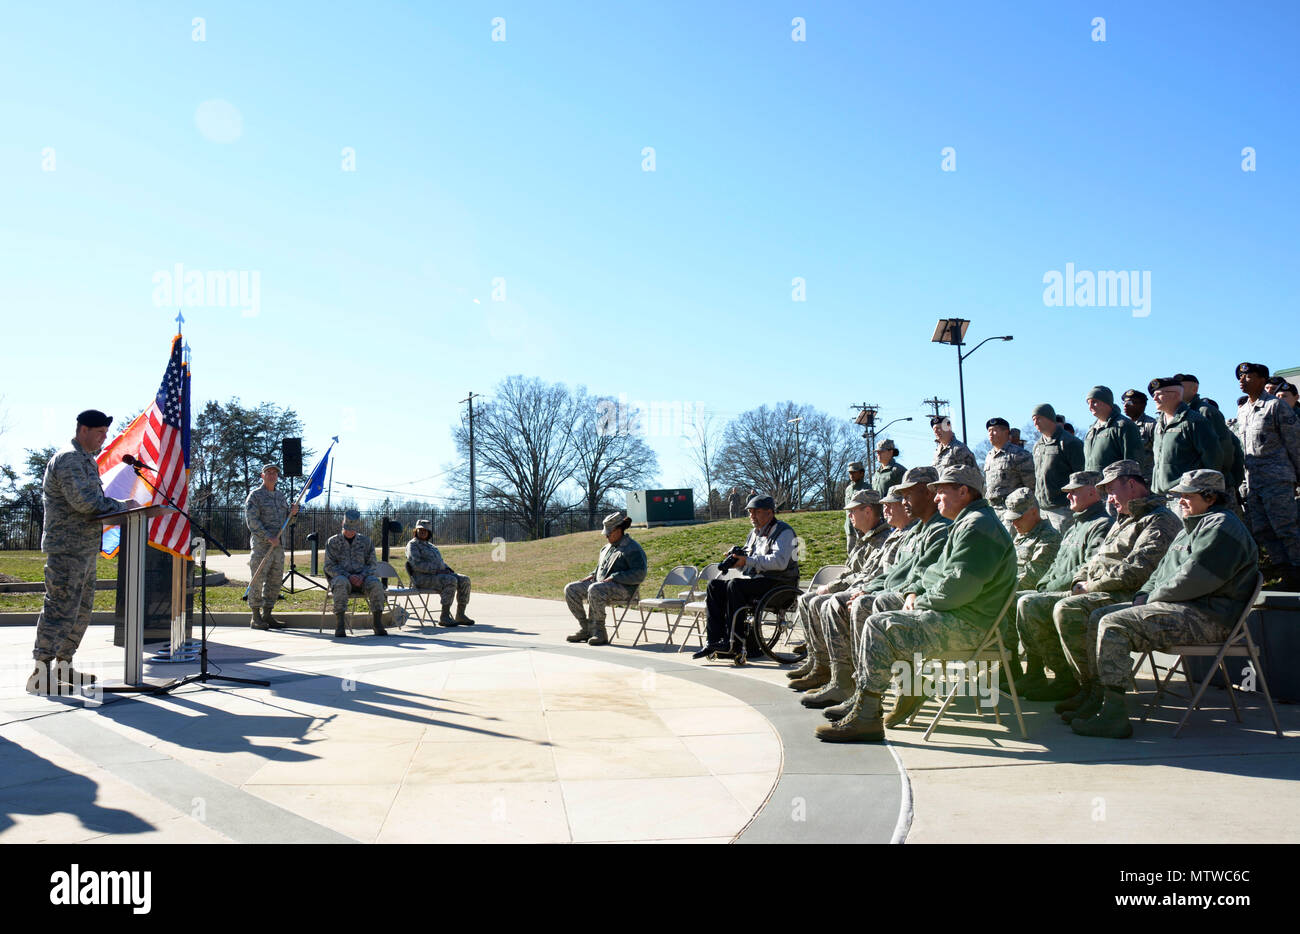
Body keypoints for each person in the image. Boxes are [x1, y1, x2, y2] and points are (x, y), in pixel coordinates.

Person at [816, 465, 1015, 742]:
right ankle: (878, 700)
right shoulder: (968, 522)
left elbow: (958, 587)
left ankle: (869, 713)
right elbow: (933, 573)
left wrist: (920, 600)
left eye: (941, 492)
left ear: (963, 491)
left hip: (971, 625)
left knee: (880, 625)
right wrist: (915, 594)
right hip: (959, 615)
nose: (936, 499)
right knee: (880, 617)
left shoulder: (978, 526)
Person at [1070, 470, 1259, 738]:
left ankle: (1114, 717)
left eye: (1187, 496)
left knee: (1114, 623)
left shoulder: (1223, 527)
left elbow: (1194, 579)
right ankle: (1099, 699)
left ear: (1210, 496)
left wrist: (1150, 600)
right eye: (1179, 496)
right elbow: (1160, 572)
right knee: (1100, 614)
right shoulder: (1192, 525)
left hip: (1209, 617)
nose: (1180, 501)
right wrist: (1143, 595)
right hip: (1181, 608)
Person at [1041, 459, 1182, 703]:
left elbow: (1136, 571)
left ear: (1130, 485)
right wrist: (1079, 580)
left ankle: (1096, 690)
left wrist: (1090, 587)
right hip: (1097, 589)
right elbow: (1095, 560)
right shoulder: (1123, 518)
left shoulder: (1159, 519)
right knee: (1032, 604)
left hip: (1129, 594)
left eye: (1111, 490)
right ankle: (1075, 682)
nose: (1109, 498)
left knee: (1068, 609)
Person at [27, 410, 139, 695]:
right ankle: (40, 673)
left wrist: (119, 506)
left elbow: (94, 501)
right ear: (83, 430)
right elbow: (86, 503)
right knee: (60, 608)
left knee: (80, 611)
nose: (104, 438)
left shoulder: (87, 460)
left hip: (84, 548)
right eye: (100, 432)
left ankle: (64, 667)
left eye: (105, 432)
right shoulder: (69, 459)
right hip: (67, 548)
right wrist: (122, 507)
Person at [809, 490, 914, 721]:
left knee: (849, 602)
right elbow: (877, 574)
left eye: (891, 504)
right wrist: (863, 589)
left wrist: (865, 591)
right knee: (823, 601)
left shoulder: (900, 534)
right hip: (883, 592)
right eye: (884, 505)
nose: (885, 509)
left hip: (905, 602)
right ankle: (839, 677)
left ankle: (862, 692)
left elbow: (898, 577)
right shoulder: (895, 534)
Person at [1014, 471, 1114, 690]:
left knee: (1029, 603)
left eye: (1073, 492)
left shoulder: (1101, 525)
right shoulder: (1074, 527)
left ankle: (1065, 676)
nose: (1068, 497)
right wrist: (1044, 584)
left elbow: (1090, 566)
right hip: (1056, 588)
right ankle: (1034, 669)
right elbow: (1056, 565)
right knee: (1014, 600)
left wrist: (1049, 587)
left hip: (1079, 591)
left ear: (1092, 491)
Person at [792, 489, 890, 709]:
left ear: (867, 511)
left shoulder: (882, 539)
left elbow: (869, 575)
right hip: (854, 590)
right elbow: (850, 571)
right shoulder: (864, 539)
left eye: (853, 511)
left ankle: (842, 679)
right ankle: (821, 665)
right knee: (807, 599)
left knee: (823, 602)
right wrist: (833, 586)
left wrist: (833, 587)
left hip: (866, 594)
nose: (849, 516)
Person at [694, 494, 799, 658]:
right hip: (756, 581)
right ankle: (715, 641)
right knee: (714, 585)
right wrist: (737, 560)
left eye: (756, 512)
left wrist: (748, 560)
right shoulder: (753, 534)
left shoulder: (783, 532)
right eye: (750, 512)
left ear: (770, 512)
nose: (752, 516)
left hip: (779, 583)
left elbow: (780, 562)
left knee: (734, 585)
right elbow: (748, 560)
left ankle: (735, 642)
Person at [1235, 362, 1300, 589]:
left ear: (1262, 379)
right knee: (1263, 530)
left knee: (1286, 528)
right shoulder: (1242, 410)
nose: (1242, 381)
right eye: (1240, 378)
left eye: (1248, 377)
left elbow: (1294, 443)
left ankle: (1298, 569)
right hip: (1254, 482)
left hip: (1277, 478)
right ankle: (1287, 574)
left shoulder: (1277, 406)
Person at [564, 510, 647, 646]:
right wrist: (592, 574)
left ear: (618, 530)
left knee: (595, 589)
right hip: (599, 585)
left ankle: (599, 632)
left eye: (609, 532)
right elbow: (601, 568)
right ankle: (586, 628)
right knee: (571, 589)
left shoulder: (632, 548)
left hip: (625, 589)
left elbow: (640, 573)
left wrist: (616, 577)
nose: (606, 535)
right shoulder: (606, 548)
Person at [244, 463, 298, 630]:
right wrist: (268, 536)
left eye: (275, 473)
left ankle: (268, 614)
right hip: (262, 548)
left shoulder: (280, 497)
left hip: (278, 548)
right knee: (258, 581)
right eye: (268, 472)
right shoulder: (255, 496)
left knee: (274, 582)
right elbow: (252, 521)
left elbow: (288, 522)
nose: (272, 475)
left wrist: (293, 514)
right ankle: (255, 617)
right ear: (262, 476)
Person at [1150, 377, 1218, 496]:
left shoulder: (1194, 422)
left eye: (1159, 394)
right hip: (1161, 496)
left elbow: (1212, 458)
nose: (1154, 398)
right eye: (1154, 395)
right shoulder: (1158, 425)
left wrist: (1201, 491)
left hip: (1186, 494)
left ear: (1175, 395)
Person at [325, 510, 388, 639]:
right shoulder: (333, 542)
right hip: (343, 579)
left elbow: (372, 564)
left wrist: (362, 576)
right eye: (347, 529)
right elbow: (329, 566)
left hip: (363, 579)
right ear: (343, 524)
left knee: (376, 584)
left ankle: (377, 623)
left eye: (352, 529)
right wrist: (348, 576)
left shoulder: (366, 542)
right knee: (340, 582)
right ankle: (340, 625)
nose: (350, 532)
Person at [406, 518, 473, 626]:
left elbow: (440, 562)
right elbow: (416, 565)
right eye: (420, 530)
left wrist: (447, 569)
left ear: (429, 532)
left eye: (425, 530)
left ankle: (460, 614)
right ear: (416, 531)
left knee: (464, 579)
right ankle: (444, 616)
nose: (422, 532)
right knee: (450, 580)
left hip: (438, 575)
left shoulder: (431, 546)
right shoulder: (412, 545)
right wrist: (437, 571)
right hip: (422, 577)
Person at [1032, 403, 1085, 532]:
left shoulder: (1070, 442)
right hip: (1042, 509)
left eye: (1039, 418)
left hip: (1064, 509)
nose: (1036, 422)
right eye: (1033, 419)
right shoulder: (1037, 446)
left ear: (1050, 418)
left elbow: (1081, 476)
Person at [983, 417, 1035, 530]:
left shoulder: (1019, 454)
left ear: (1006, 432)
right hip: (992, 511)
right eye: (989, 431)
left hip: (1012, 510)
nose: (991, 434)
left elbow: (1031, 486)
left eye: (995, 430)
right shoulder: (989, 456)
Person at [1006, 488, 1060, 592]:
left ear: (1034, 512)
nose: (1014, 524)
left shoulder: (1049, 537)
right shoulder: (1023, 533)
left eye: (1018, 518)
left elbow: (1033, 576)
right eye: (1012, 520)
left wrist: (1001, 589)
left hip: (1026, 592)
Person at [1178, 373, 1232, 472]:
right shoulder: (1176, 413)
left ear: (1194, 389)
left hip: (1205, 478)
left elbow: (1224, 445)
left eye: (1181, 387)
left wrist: (1223, 475)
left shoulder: (1206, 411)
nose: (1178, 391)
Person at [1082, 386, 1143, 473]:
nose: (1090, 406)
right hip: (1092, 485)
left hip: (1116, 485)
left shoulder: (1123, 426)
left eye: (1094, 402)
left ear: (1107, 402)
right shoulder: (1091, 430)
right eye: (1088, 403)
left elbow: (1134, 463)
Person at [1122, 388, 1158, 485]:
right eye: (1124, 402)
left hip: (1147, 481)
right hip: (1126, 480)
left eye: (1130, 402)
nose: (1125, 405)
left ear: (1142, 405)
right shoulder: (1122, 426)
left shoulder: (1152, 425)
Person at [843, 461, 871, 553]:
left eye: (854, 472)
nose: (851, 474)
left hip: (863, 528)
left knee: (863, 553)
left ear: (862, 473)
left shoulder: (867, 488)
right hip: (850, 528)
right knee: (850, 553)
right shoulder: (848, 489)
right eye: (850, 472)